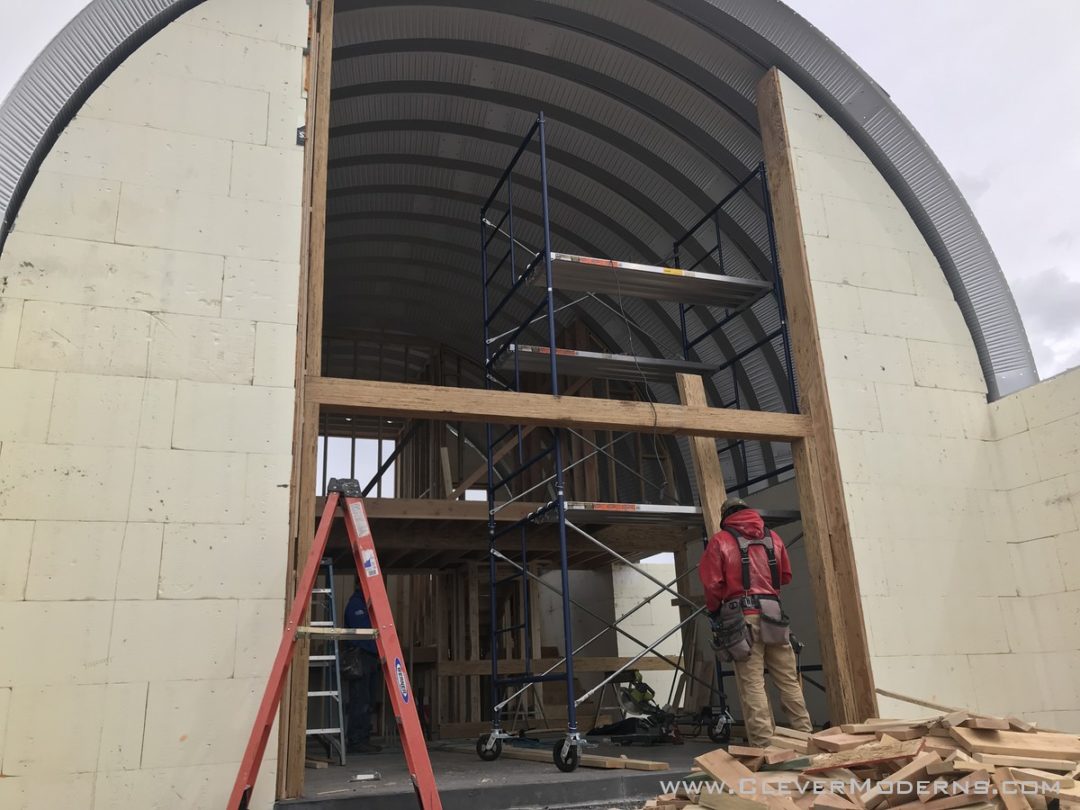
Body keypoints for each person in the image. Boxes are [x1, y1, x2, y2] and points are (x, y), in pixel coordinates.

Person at [699, 497, 812, 746]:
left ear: (725, 516)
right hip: (775, 615)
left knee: (753, 683)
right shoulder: (774, 538)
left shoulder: (721, 540)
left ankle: (764, 746)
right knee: (788, 680)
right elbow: (785, 576)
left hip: (741, 618)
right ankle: (806, 738)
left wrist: (716, 610)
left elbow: (712, 584)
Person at [342, 583, 383, 754]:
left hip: (370, 657)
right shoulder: (356, 605)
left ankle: (363, 738)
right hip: (361, 657)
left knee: (368, 700)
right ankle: (356, 740)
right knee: (360, 700)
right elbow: (363, 633)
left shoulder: (366, 604)